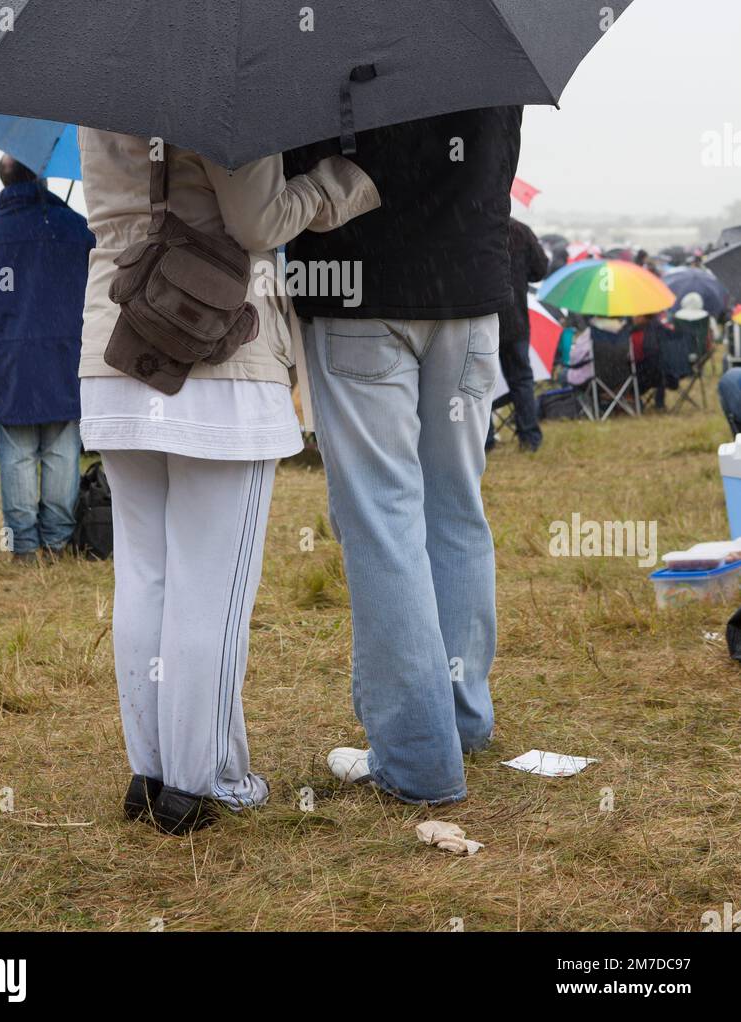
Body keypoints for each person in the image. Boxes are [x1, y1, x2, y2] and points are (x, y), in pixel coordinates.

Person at [78, 129, 379, 834]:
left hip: (115, 341)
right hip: (219, 352)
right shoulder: (231, 69)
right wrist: (343, 180)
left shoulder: (99, 77)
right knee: (210, 589)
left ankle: (152, 773)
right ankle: (205, 778)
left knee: (144, 576)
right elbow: (257, 220)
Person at [284, 106, 521, 806]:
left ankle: (417, 757)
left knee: (383, 522)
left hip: (360, 292)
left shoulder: (325, 25)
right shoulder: (488, 18)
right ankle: (461, 717)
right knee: (457, 510)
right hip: (469, 292)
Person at [0, 155, 94, 559]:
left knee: (16, 455)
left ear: (4, 180)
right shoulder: (79, 229)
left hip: (8, 360)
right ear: (42, 179)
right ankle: (58, 540)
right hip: (66, 359)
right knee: (63, 451)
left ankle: (25, 545)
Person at [486, 217, 549, 452]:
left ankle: (485, 440)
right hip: (517, 321)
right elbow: (540, 269)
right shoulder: (521, 231)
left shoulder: (479, 226)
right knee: (522, 381)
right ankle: (529, 437)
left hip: (486, 319)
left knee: (482, 383)